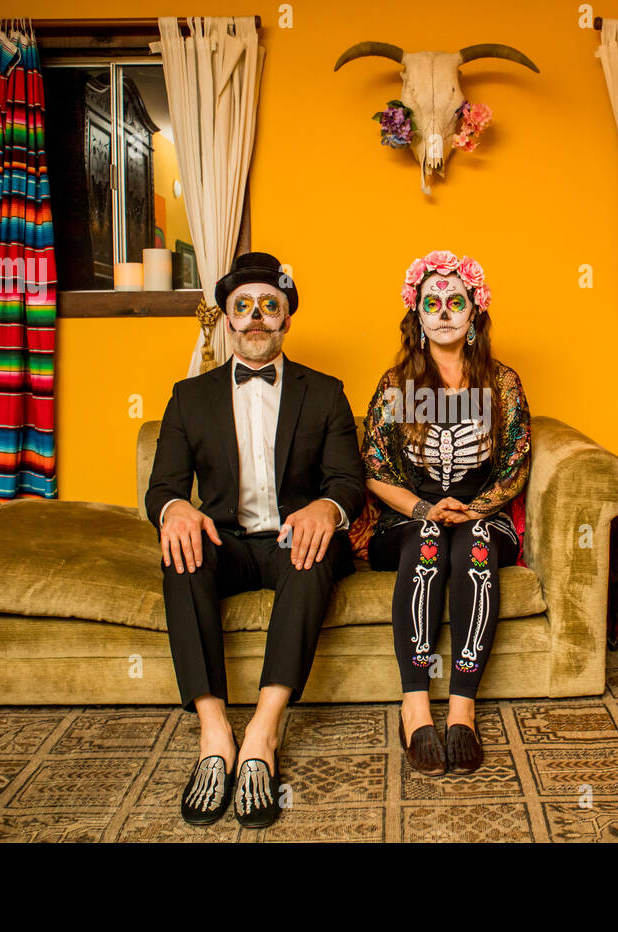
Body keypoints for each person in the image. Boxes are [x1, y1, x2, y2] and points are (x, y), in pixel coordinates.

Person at [146, 251, 365, 828]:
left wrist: (327, 506)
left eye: (270, 306)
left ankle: (263, 736)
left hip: (296, 538)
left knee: (310, 551)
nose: (256, 318)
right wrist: (176, 511)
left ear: (287, 319)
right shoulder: (188, 398)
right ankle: (215, 735)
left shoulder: (326, 393)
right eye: (243, 307)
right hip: (228, 540)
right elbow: (163, 487)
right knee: (181, 556)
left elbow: (349, 481)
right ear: (226, 319)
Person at [361, 249, 531, 776]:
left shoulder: (502, 385)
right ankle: (414, 705)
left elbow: (516, 463)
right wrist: (424, 508)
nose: (442, 312)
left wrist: (472, 509)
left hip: (483, 513)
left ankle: (462, 707)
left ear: (474, 312)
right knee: (429, 541)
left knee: (474, 543)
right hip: (408, 519)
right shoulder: (396, 387)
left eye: (454, 301)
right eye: (430, 302)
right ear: (416, 316)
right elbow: (374, 466)